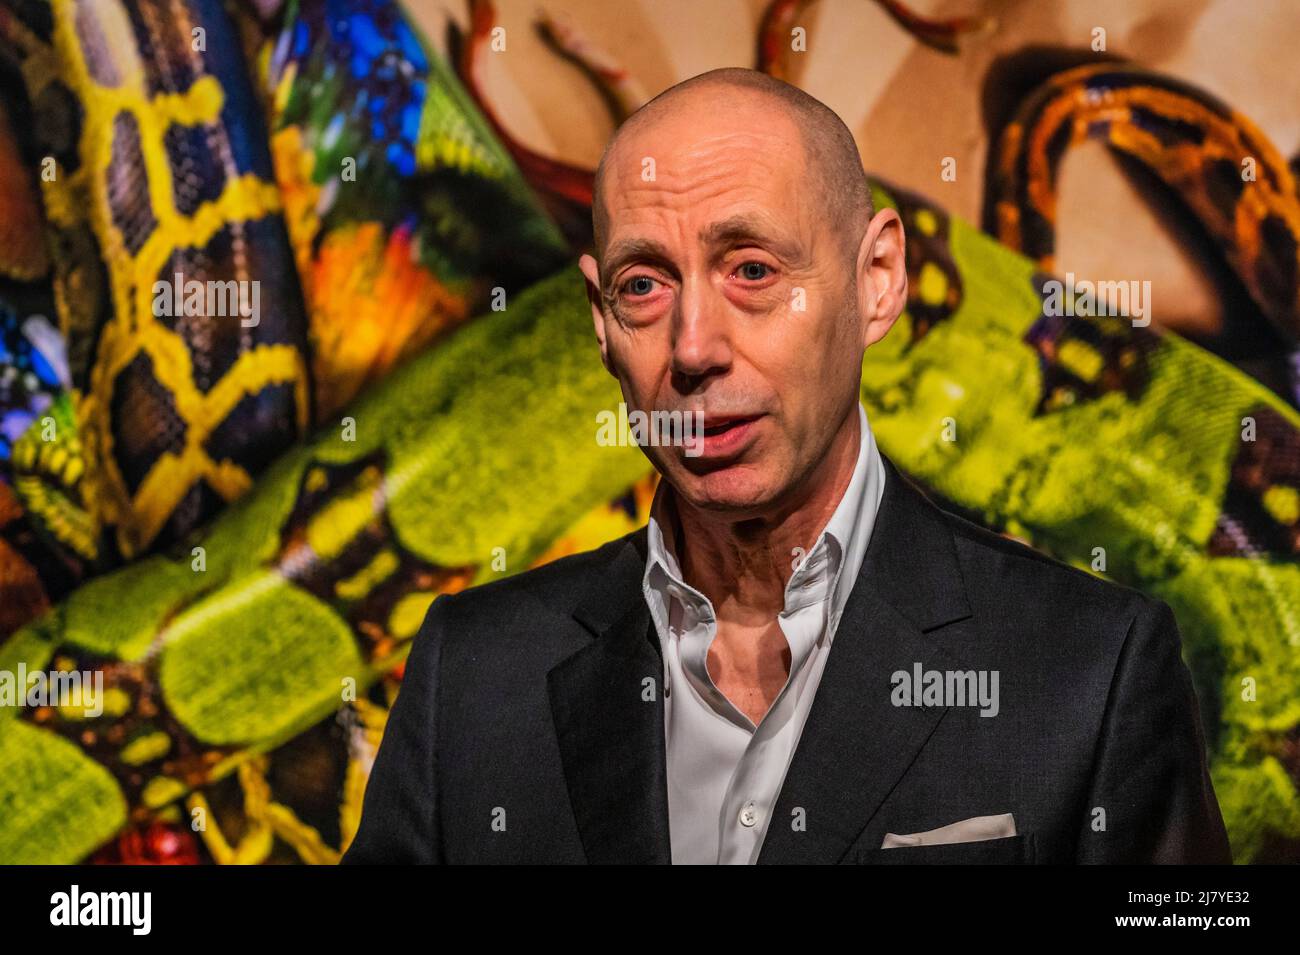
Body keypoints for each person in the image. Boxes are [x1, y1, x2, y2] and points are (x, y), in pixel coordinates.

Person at [343, 67, 1230, 864]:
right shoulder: (474, 671)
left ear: (879, 277)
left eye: (754, 269)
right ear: (599, 320)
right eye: (644, 285)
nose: (693, 348)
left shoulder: (1090, 667)